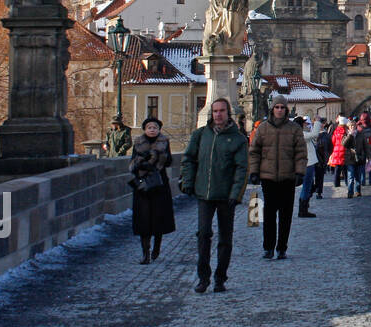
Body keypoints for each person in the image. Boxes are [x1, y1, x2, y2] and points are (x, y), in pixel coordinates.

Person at [180, 98, 248, 293]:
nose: (218, 114)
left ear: (228, 113)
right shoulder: (201, 135)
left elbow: (241, 169)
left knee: (225, 239)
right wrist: (188, 182)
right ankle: (203, 277)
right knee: (203, 234)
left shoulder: (238, 139)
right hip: (204, 193)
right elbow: (188, 159)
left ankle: (220, 277)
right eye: (215, 111)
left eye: (222, 111)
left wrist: (236, 194)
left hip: (226, 196)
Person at [248, 95, 307, 260]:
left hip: (288, 177)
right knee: (269, 214)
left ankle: (282, 247)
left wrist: (300, 172)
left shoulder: (294, 129)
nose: (279, 110)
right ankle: (268, 247)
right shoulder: (263, 128)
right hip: (268, 177)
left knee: (286, 214)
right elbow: (254, 152)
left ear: (286, 110)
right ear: (272, 109)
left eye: (282, 107)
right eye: (277, 107)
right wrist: (254, 172)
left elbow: (301, 153)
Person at [128, 115, 176, 264]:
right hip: (143, 186)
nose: (152, 130)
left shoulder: (164, 142)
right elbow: (132, 164)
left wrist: (160, 157)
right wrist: (143, 163)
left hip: (159, 184)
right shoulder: (138, 143)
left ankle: (156, 248)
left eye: (155, 127)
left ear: (159, 129)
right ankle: (145, 253)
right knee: (144, 220)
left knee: (158, 219)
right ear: (145, 129)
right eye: (149, 127)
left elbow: (169, 162)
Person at [343, 116, 371, 198]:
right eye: (351, 126)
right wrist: (350, 135)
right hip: (350, 158)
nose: (352, 127)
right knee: (350, 177)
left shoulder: (361, 134)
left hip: (360, 158)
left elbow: (366, 146)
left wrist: (368, 157)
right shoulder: (346, 135)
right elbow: (344, 144)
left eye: (354, 126)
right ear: (348, 127)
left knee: (358, 177)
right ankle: (350, 192)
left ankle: (357, 191)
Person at [299, 116, 322, 219]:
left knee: (308, 187)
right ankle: (303, 210)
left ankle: (304, 208)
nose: (307, 125)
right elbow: (315, 134)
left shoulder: (304, 133)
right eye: (305, 124)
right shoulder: (301, 134)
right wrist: (317, 122)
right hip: (307, 164)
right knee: (306, 187)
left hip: (310, 163)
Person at [312, 115, 331, 200]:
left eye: (321, 123)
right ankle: (312, 189)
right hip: (312, 159)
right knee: (311, 176)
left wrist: (327, 157)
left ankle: (319, 192)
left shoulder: (326, 135)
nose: (320, 125)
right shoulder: (312, 133)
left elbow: (330, 147)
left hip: (322, 158)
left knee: (320, 176)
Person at [331, 118, 349, 189]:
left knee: (337, 169)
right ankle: (347, 182)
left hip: (336, 151)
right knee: (345, 169)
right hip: (344, 151)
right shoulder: (345, 131)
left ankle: (336, 183)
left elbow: (333, 140)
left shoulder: (336, 131)